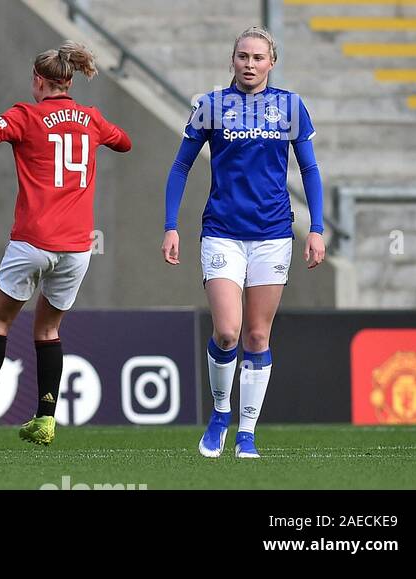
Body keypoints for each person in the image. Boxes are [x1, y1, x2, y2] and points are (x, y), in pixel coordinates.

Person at [0, 41, 131, 445]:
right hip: (77, 247)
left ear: (38, 80)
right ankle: (45, 419)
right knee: (48, 331)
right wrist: (93, 132)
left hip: (32, 241)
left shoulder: (24, 116)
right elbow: (125, 142)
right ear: (69, 80)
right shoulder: (91, 118)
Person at [164, 26, 325, 459]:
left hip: (273, 235)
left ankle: (247, 433)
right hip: (222, 232)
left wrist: (317, 227)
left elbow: (309, 170)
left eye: (257, 57)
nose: (249, 64)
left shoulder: (291, 107)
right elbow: (180, 167)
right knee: (227, 330)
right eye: (242, 56)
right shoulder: (211, 106)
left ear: (272, 62)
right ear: (231, 60)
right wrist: (171, 225)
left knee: (257, 335)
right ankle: (219, 415)